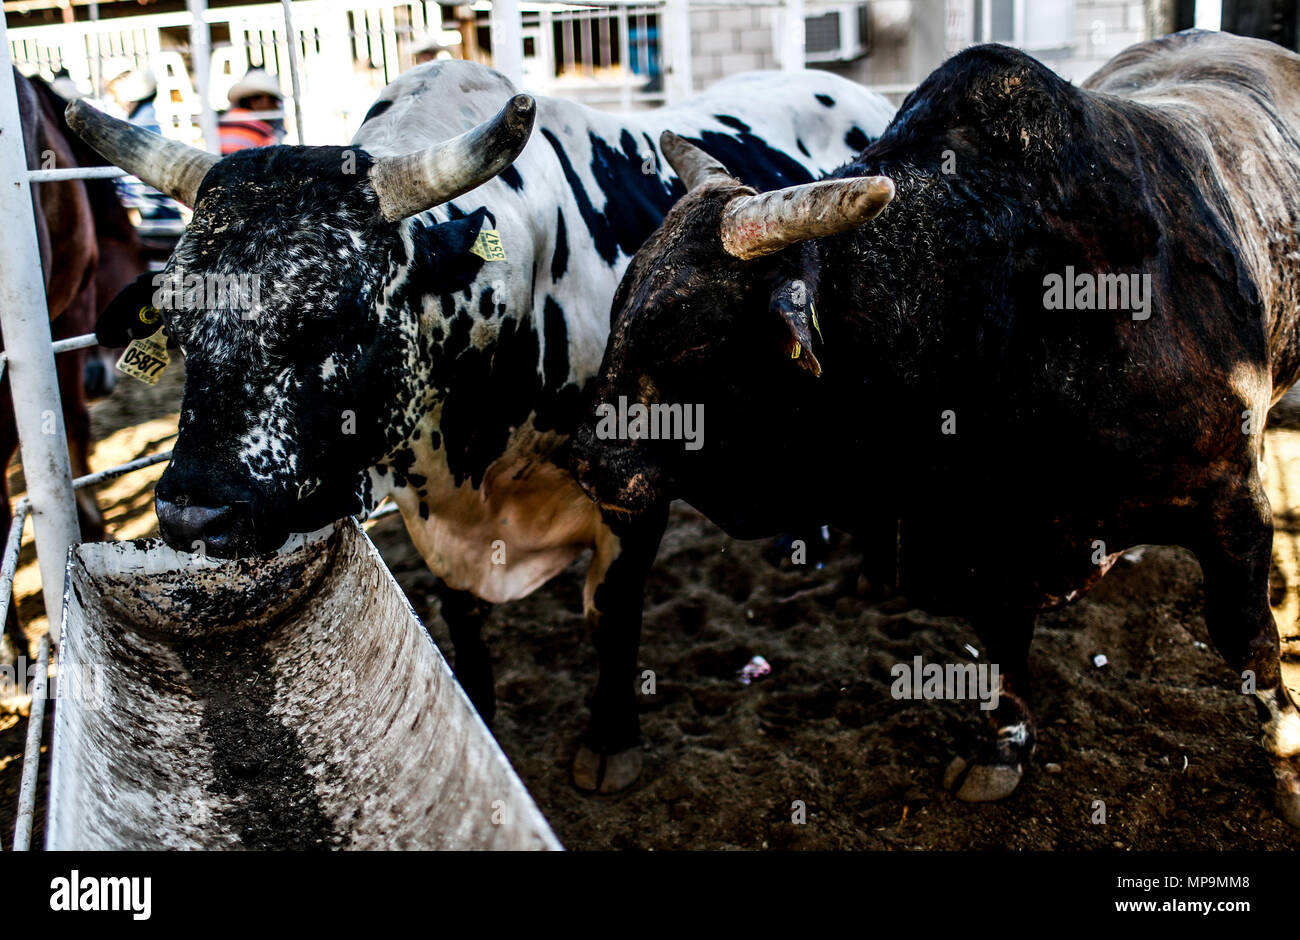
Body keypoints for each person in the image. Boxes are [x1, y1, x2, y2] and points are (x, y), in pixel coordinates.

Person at [218, 69, 283, 154]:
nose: (276, 106)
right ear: (256, 101)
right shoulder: (262, 131)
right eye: (273, 100)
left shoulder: (220, 123)